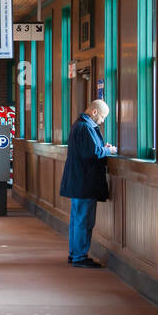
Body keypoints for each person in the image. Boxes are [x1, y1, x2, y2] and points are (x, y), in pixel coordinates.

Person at [59, 98, 117, 268]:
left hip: (79, 181)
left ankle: (74, 254)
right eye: (103, 117)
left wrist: (101, 146)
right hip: (84, 182)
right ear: (94, 112)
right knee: (84, 221)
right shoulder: (86, 127)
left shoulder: (80, 125)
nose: (103, 121)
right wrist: (109, 150)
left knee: (77, 220)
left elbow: (90, 149)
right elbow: (92, 153)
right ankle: (79, 257)